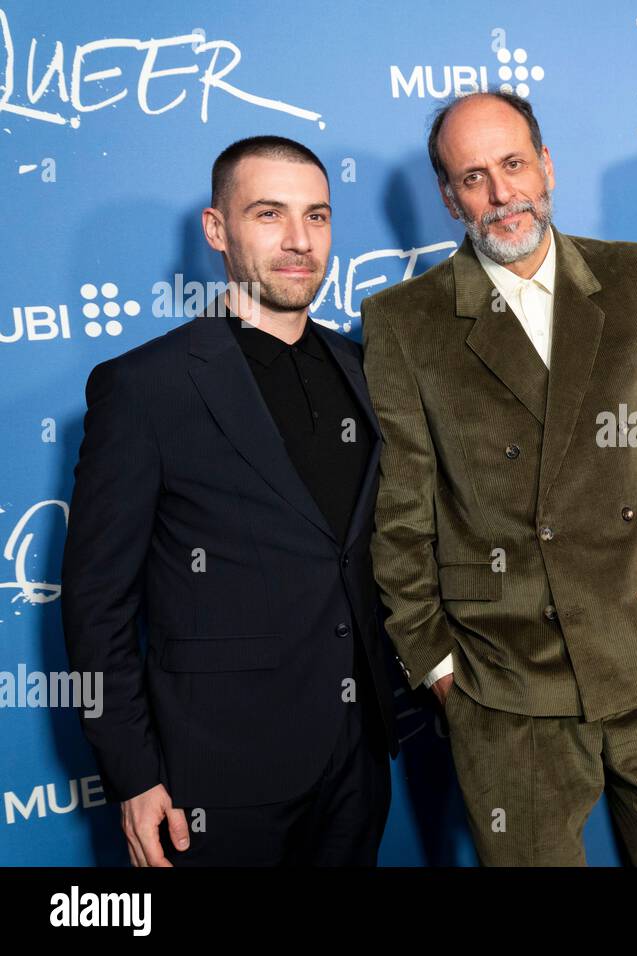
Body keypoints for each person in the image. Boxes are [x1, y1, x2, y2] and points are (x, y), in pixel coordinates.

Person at [361, 91, 637, 866]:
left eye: (513, 164)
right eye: (474, 177)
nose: (502, 195)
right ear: (448, 196)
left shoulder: (634, 276)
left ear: (546, 166)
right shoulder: (406, 320)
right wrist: (438, 672)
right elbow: (403, 519)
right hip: (507, 690)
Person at [61, 136, 396, 866]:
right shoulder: (145, 388)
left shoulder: (367, 369)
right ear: (217, 229)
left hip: (358, 765)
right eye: (270, 214)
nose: (299, 241)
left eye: (318, 216)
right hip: (212, 782)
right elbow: (96, 602)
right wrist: (133, 775)